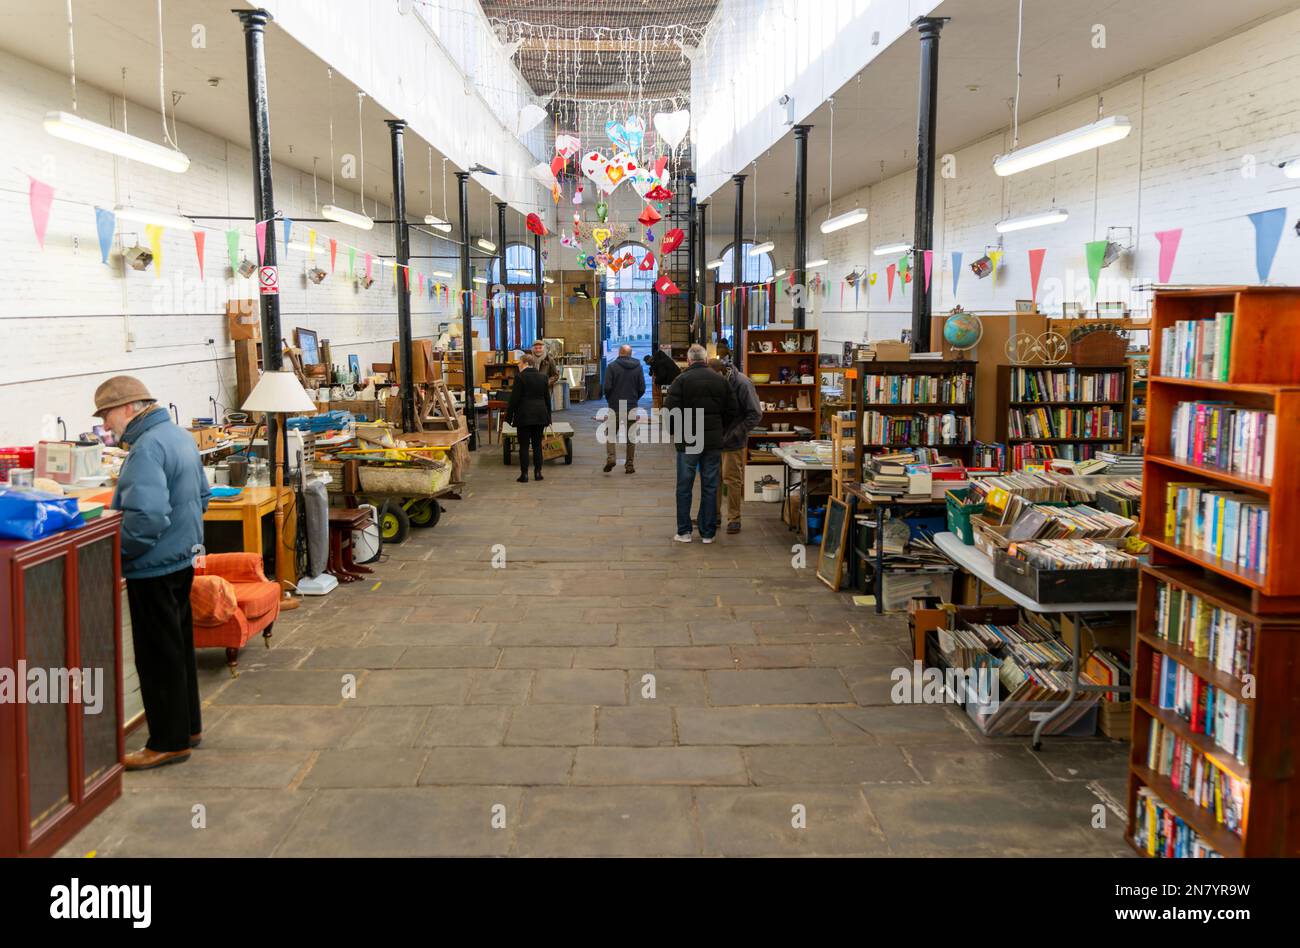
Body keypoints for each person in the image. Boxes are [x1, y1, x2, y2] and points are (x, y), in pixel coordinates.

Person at [95, 376, 210, 770]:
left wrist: (118, 554)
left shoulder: (146, 449)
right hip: (182, 558)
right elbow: (203, 496)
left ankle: (167, 741)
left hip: (153, 567)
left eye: (107, 415)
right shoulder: (177, 435)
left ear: (129, 408)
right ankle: (188, 727)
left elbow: (146, 517)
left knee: (157, 656)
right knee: (177, 647)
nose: (106, 425)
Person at [665, 344, 738, 544]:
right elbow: (733, 410)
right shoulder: (720, 381)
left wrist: (675, 432)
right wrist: (721, 431)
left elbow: (669, 410)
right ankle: (708, 533)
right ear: (705, 360)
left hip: (688, 439)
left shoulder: (680, 380)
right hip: (713, 440)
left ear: (689, 361)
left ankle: (684, 532)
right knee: (710, 485)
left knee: (684, 486)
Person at [710, 357, 763, 534]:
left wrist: (734, 434)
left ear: (721, 373)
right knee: (713, 479)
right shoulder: (716, 382)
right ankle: (713, 516)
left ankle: (734, 519)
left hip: (733, 441)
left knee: (731, 480)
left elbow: (755, 414)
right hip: (714, 439)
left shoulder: (742, 383)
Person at [506, 352, 552, 483]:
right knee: (537, 445)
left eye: (519, 363)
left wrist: (508, 418)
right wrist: (549, 417)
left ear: (526, 363)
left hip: (524, 416)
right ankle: (538, 473)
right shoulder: (543, 377)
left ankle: (524, 475)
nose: (518, 366)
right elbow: (547, 399)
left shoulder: (520, 378)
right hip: (540, 415)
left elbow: (514, 399)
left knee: (524, 446)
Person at [603, 344, 646, 474]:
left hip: (615, 405)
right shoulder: (638, 367)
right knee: (631, 437)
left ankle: (611, 458)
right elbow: (642, 388)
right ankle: (629, 465)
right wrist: (634, 399)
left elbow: (607, 388)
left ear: (619, 353)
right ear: (630, 354)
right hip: (631, 406)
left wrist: (611, 400)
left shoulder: (611, 367)